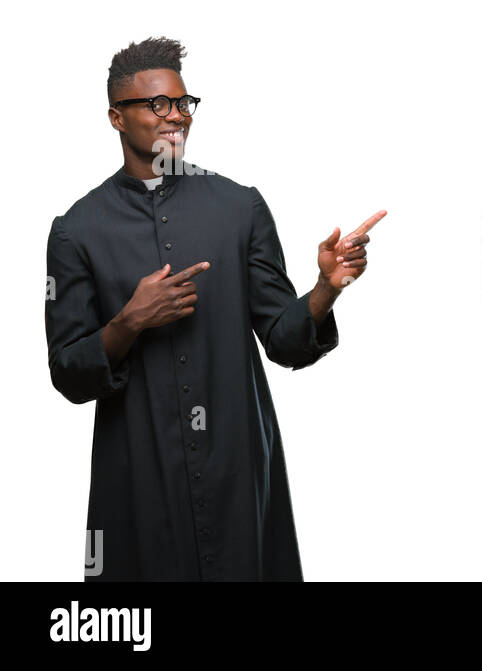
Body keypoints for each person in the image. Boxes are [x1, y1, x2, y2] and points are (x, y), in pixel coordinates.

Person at [45, 37, 385, 580]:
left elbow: (284, 340)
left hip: (236, 466)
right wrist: (131, 320)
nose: (175, 115)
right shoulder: (76, 231)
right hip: (138, 475)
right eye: (157, 104)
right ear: (116, 117)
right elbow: (67, 373)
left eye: (183, 103)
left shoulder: (239, 206)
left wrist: (325, 288)